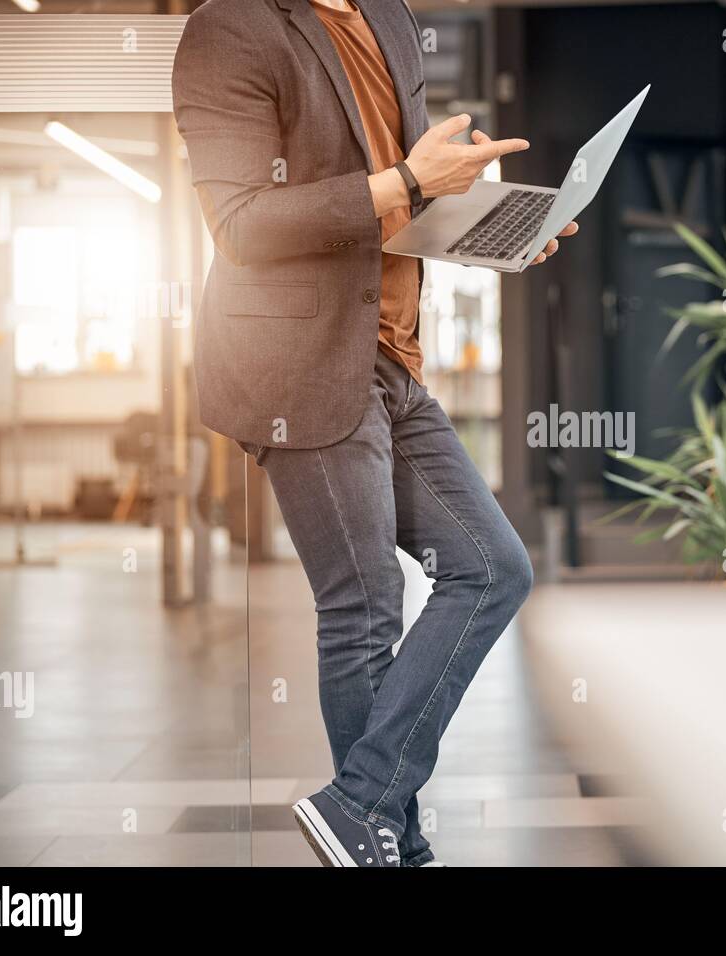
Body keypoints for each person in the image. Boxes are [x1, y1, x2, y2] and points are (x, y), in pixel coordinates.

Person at [172, 0, 576, 867]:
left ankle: (364, 808)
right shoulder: (229, 29)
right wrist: (412, 181)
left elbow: (407, 206)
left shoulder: (387, 17)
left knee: (491, 566)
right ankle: (391, 837)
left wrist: (498, 229)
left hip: (393, 356)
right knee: (362, 610)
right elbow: (242, 225)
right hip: (299, 360)